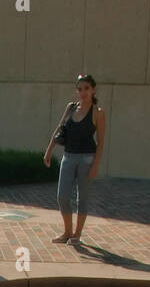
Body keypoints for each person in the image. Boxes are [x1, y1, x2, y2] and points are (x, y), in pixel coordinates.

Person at [43, 73, 107, 244]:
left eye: (86, 88)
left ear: (93, 90)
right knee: (62, 196)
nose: (83, 92)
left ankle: (77, 235)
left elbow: (101, 142)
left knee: (82, 198)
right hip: (68, 157)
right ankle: (67, 232)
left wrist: (96, 165)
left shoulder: (98, 113)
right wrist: (49, 150)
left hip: (87, 158)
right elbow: (59, 129)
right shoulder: (71, 107)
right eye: (80, 89)